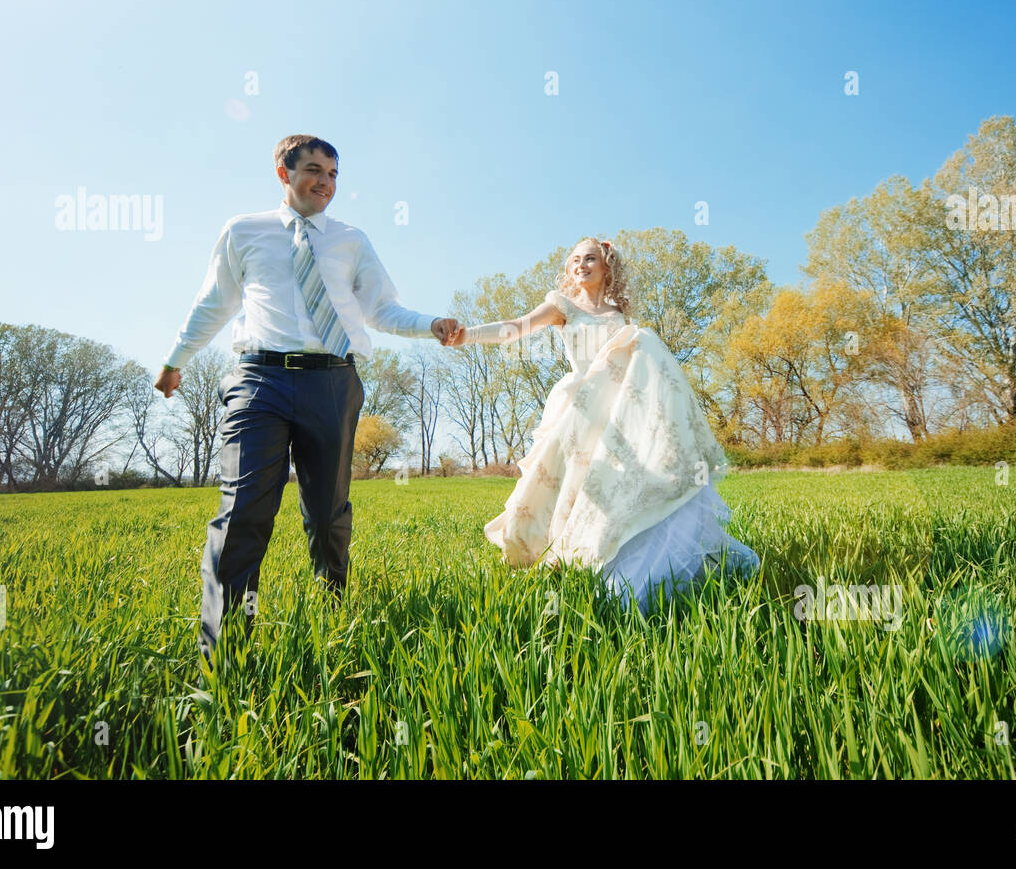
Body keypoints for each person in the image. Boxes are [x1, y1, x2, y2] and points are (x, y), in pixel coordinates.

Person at [154, 134, 460, 663]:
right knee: (244, 508)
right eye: (315, 170)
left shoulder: (350, 239)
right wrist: (176, 359)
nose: (326, 182)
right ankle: (224, 648)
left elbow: (382, 309)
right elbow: (215, 302)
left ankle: (332, 607)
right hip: (259, 380)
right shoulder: (244, 231)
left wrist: (430, 324)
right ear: (283, 172)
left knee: (326, 513)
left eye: (334, 174)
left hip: (333, 381)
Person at [447, 238, 760, 612]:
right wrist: (468, 334)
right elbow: (517, 326)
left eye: (590, 258)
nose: (582, 265)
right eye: (576, 260)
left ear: (607, 266)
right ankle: (565, 553)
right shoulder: (562, 305)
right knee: (573, 485)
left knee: (617, 484)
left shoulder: (620, 315)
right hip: (581, 407)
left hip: (620, 411)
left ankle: (624, 553)